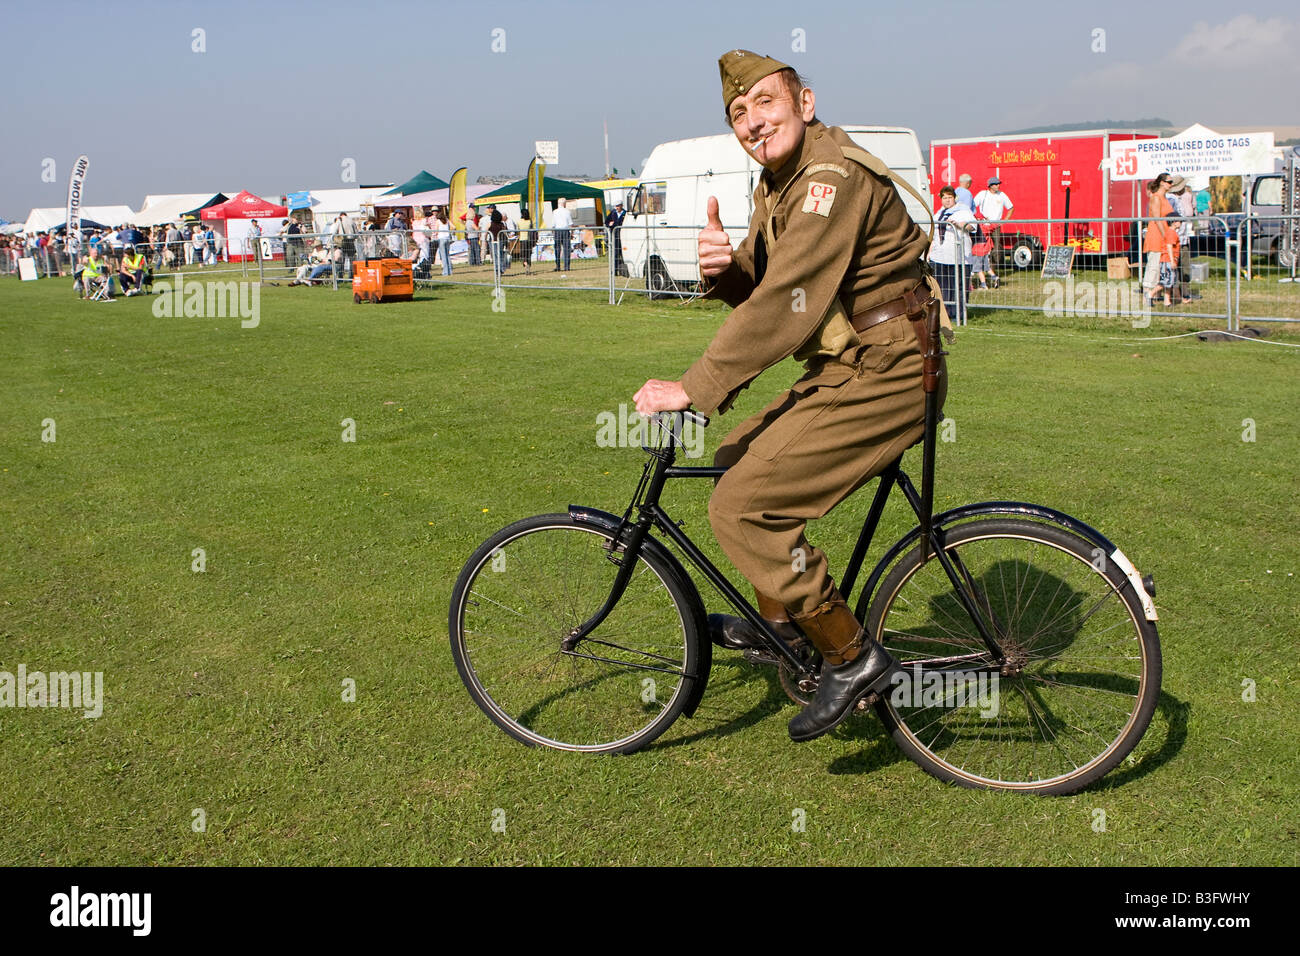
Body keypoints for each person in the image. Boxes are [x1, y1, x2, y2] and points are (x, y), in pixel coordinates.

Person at [633, 49, 949, 742]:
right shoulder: (781, 183)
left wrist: (693, 386)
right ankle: (782, 625)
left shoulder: (828, 180)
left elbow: (786, 303)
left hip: (888, 369)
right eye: (738, 114)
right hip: (857, 361)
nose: (752, 122)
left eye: (765, 104)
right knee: (736, 452)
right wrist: (725, 267)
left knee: (741, 508)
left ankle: (850, 655)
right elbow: (768, 277)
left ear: (804, 104)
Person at [928, 186, 975, 323]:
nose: (947, 201)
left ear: (954, 198)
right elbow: (935, 235)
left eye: (950, 198)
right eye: (944, 198)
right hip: (940, 256)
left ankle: (958, 314)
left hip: (959, 257)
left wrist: (961, 225)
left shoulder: (963, 211)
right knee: (942, 287)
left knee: (959, 287)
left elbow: (972, 227)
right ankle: (945, 314)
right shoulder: (939, 213)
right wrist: (930, 252)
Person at [1142, 174, 1176, 307]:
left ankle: (1154, 295)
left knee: (1161, 266)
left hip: (1165, 233)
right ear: (1162, 183)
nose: (1171, 184)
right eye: (1169, 182)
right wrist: (1165, 235)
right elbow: (1157, 218)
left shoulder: (1164, 198)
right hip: (1156, 235)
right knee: (1153, 266)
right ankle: (1147, 294)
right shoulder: (1156, 197)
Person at [972, 177, 1013, 285]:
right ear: (990, 186)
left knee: (995, 249)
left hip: (996, 225)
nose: (998, 186)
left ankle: (991, 270)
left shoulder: (1002, 195)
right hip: (983, 226)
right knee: (980, 248)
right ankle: (980, 271)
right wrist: (978, 217)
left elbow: (1011, 208)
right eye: (995, 184)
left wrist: (1004, 221)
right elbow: (972, 206)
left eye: (999, 184)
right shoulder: (982, 194)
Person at [1166, 176, 1200, 301]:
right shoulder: (1172, 200)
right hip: (1176, 239)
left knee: (1184, 267)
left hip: (1182, 238)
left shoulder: (1178, 199)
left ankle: (1183, 292)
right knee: (1177, 266)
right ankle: (1178, 294)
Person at [551, 197, 574, 273]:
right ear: (564, 204)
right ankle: (567, 266)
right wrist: (572, 233)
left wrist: (553, 232)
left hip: (557, 231)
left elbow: (553, 224)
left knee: (557, 249)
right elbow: (570, 223)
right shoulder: (567, 211)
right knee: (567, 249)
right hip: (566, 230)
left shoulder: (555, 212)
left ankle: (558, 266)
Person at [605, 201, 627, 276]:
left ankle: (625, 271)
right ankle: (614, 271)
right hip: (614, 236)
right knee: (615, 254)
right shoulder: (613, 213)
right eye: (616, 206)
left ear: (621, 206)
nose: (617, 208)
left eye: (618, 206)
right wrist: (609, 224)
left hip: (623, 236)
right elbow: (606, 222)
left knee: (623, 254)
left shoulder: (625, 213)